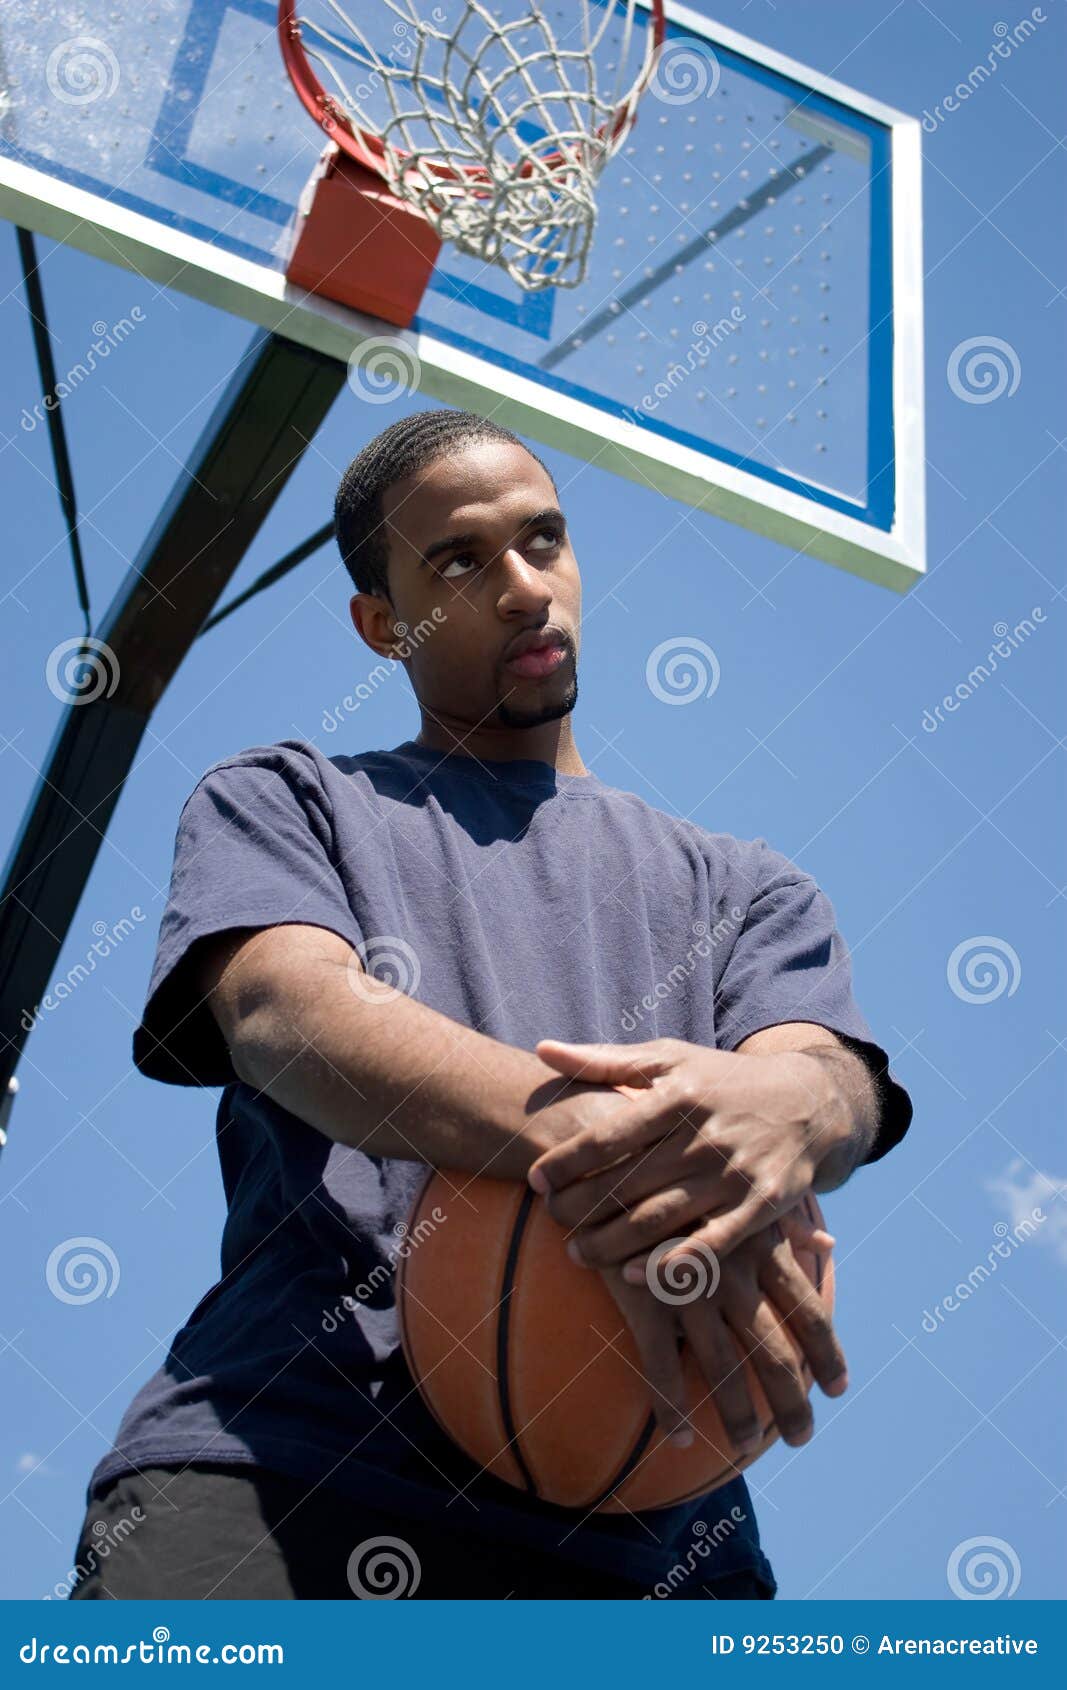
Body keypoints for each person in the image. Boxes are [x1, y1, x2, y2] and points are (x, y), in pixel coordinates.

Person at [69, 409, 912, 1600]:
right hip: (292, 1468)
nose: (521, 588)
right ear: (380, 621)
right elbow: (283, 1013)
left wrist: (794, 1104)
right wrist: (602, 1154)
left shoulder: (746, 887)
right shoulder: (287, 800)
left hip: (657, 1542)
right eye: (458, 561)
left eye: (542, 540)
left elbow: (819, 1077)